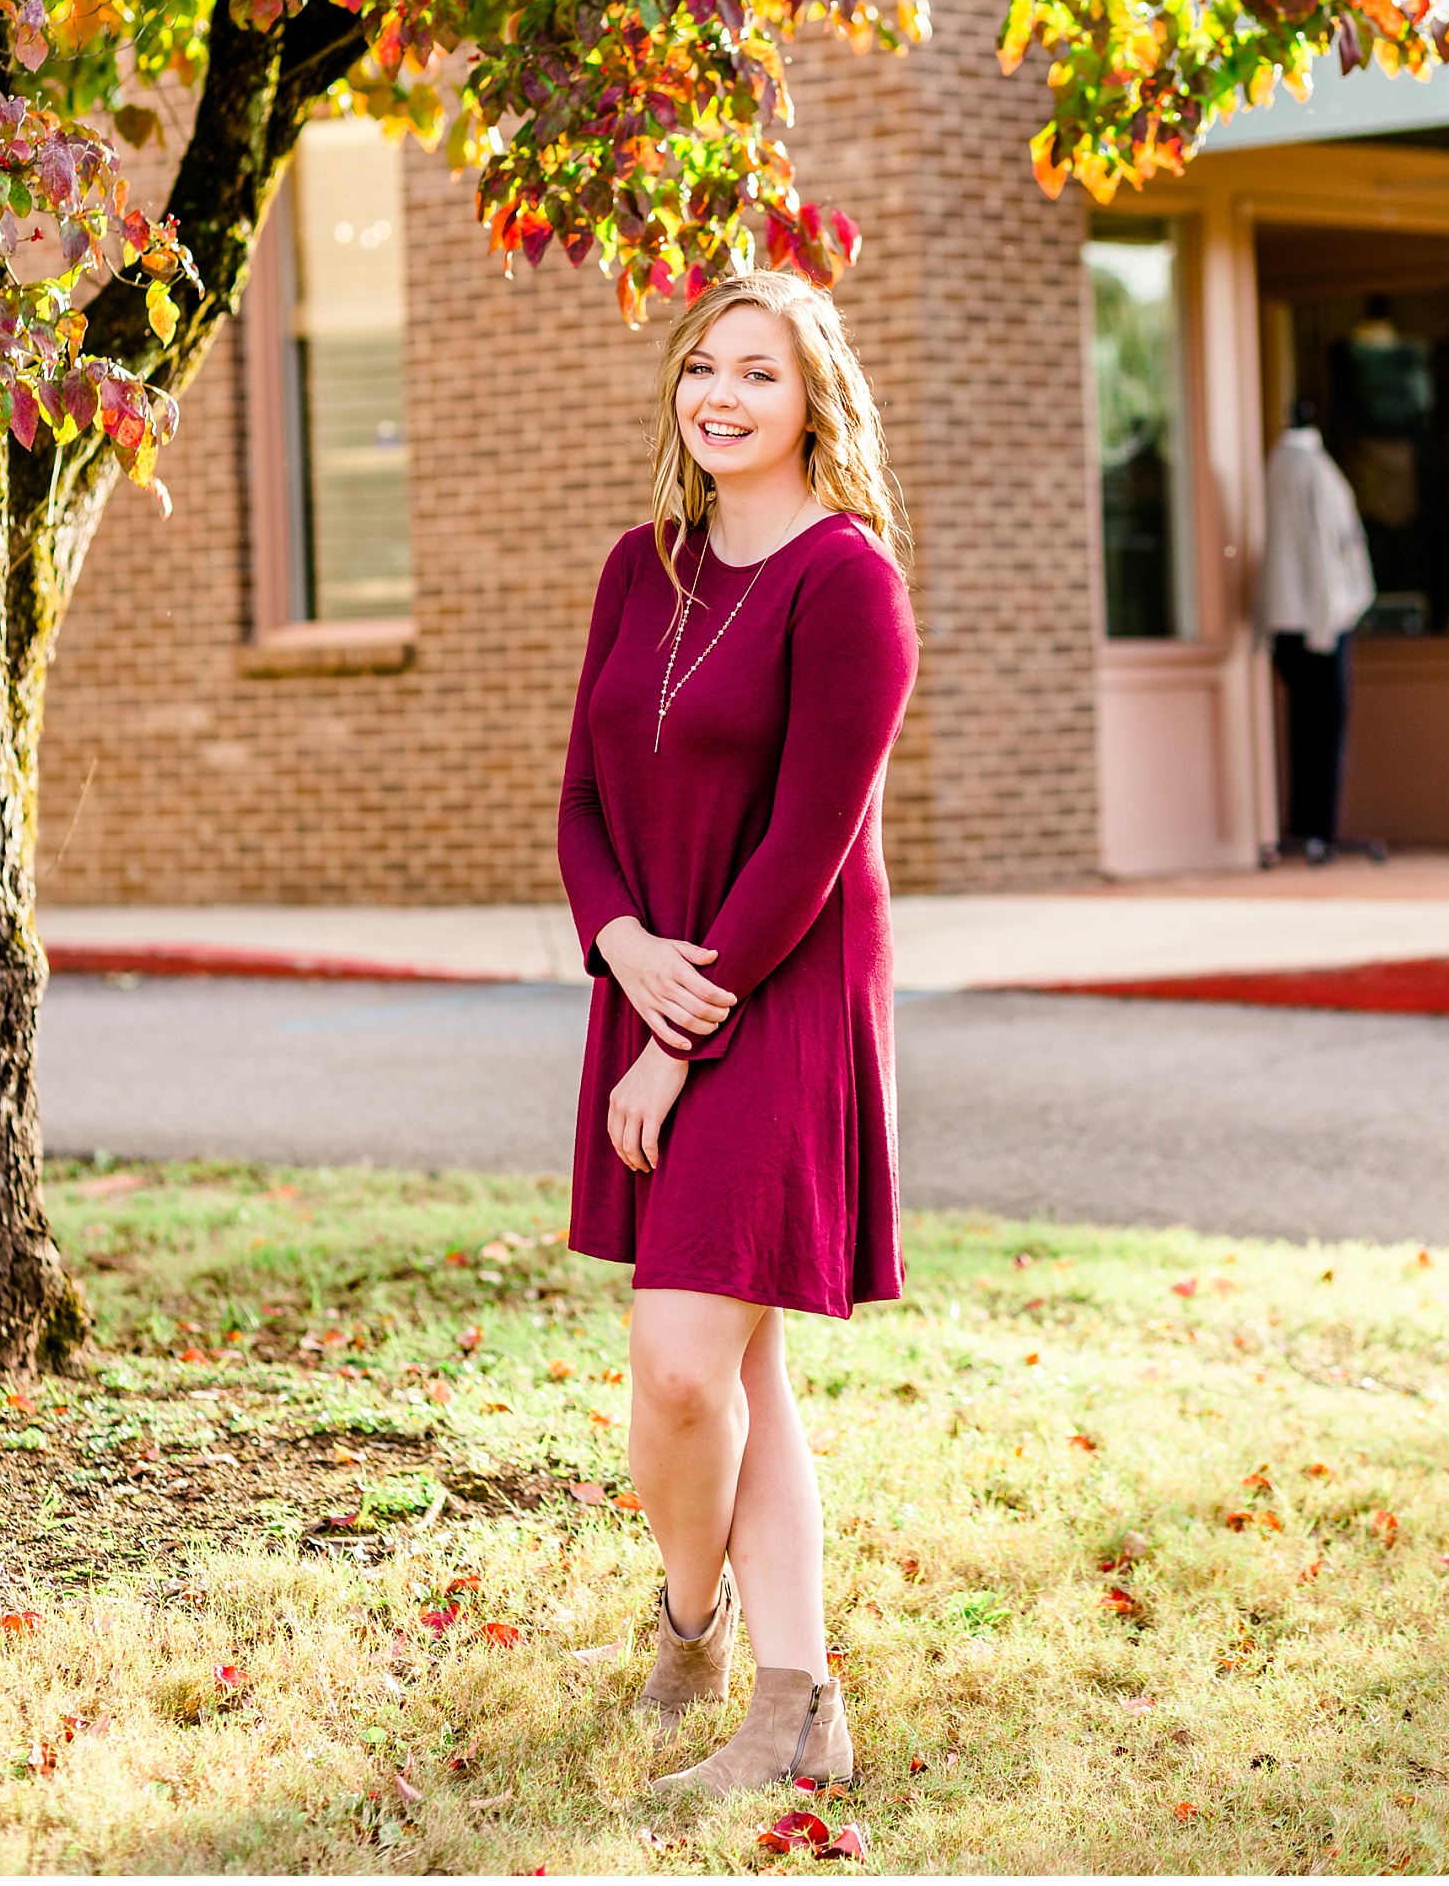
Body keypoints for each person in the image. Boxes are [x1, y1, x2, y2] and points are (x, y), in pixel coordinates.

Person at [557, 269, 919, 1795]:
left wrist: (671, 1038)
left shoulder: (849, 584)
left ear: (813, 397)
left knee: (685, 1367)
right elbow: (583, 801)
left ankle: (708, 1635)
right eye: (704, 367)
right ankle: (781, 1695)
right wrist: (620, 946)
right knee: (730, 1368)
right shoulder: (639, 569)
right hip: (654, 981)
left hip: (778, 1001)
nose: (722, 395)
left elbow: (807, 851)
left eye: (758, 372)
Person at [1258, 396, 1376, 862]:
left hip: (1287, 619)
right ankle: (1319, 831)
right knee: (1324, 726)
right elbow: (1324, 553)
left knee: (1305, 726)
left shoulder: (1275, 466)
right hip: (1317, 622)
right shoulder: (1313, 470)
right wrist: (1327, 625)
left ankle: (1307, 829)